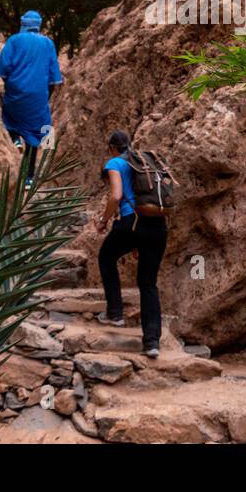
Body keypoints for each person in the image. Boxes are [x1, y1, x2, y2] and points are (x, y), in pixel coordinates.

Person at [95, 130, 167, 358]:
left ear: (112, 148)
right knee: (148, 283)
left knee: (106, 258)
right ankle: (152, 342)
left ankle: (115, 314)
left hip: (131, 221)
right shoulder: (144, 161)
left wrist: (103, 220)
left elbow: (116, 196)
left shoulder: (115, 162)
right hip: (158, 225)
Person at [0, 10, 62, 188]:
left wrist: (11, 85)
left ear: (23, 23)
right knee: (36, 133)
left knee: (9, 116)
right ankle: (29, 179)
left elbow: (3, 69)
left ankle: (15, 138)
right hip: (39, 96)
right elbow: (54, 77)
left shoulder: (14, 40)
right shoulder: (48, 43)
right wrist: (45, 97)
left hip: (16, 91)